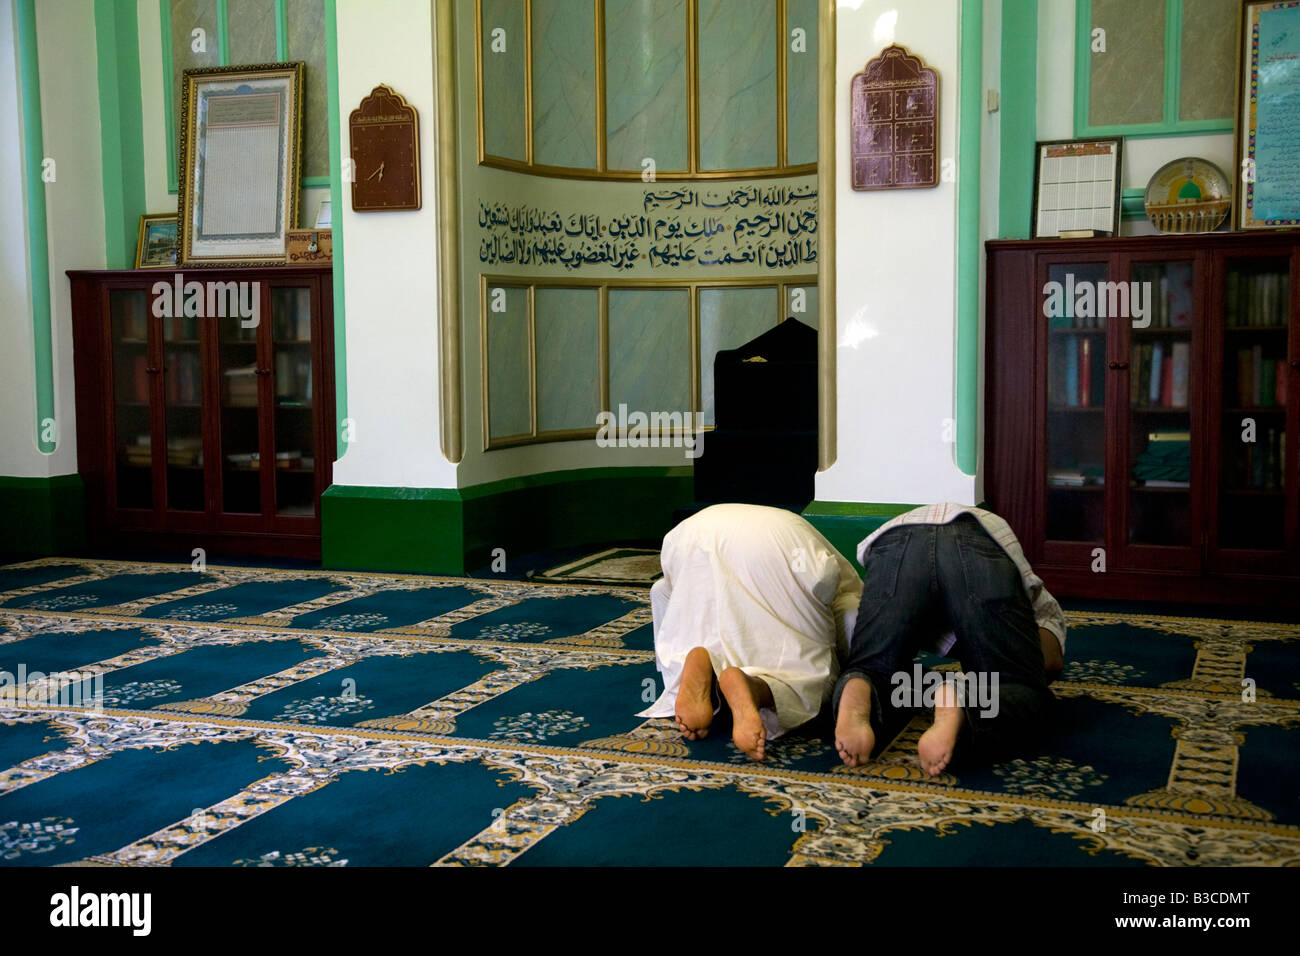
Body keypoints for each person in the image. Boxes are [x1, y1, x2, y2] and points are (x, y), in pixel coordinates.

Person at [833, 503, 1066, 776]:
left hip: (895, 541)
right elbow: (1049, 662)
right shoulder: (1043, 607)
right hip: (977, 540)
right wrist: (1019, 672)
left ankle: (861, 684)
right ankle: (960, 698)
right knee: (1022, 689)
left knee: (876, 668)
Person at [638, 503, 863, 760]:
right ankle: (755, 688)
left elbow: (663, 591)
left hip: (694, 532)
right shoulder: (850, 582)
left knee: (680, 598)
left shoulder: (686, 531)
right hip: (785, 544)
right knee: (815, 682)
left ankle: (697, 660)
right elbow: (829, 583)